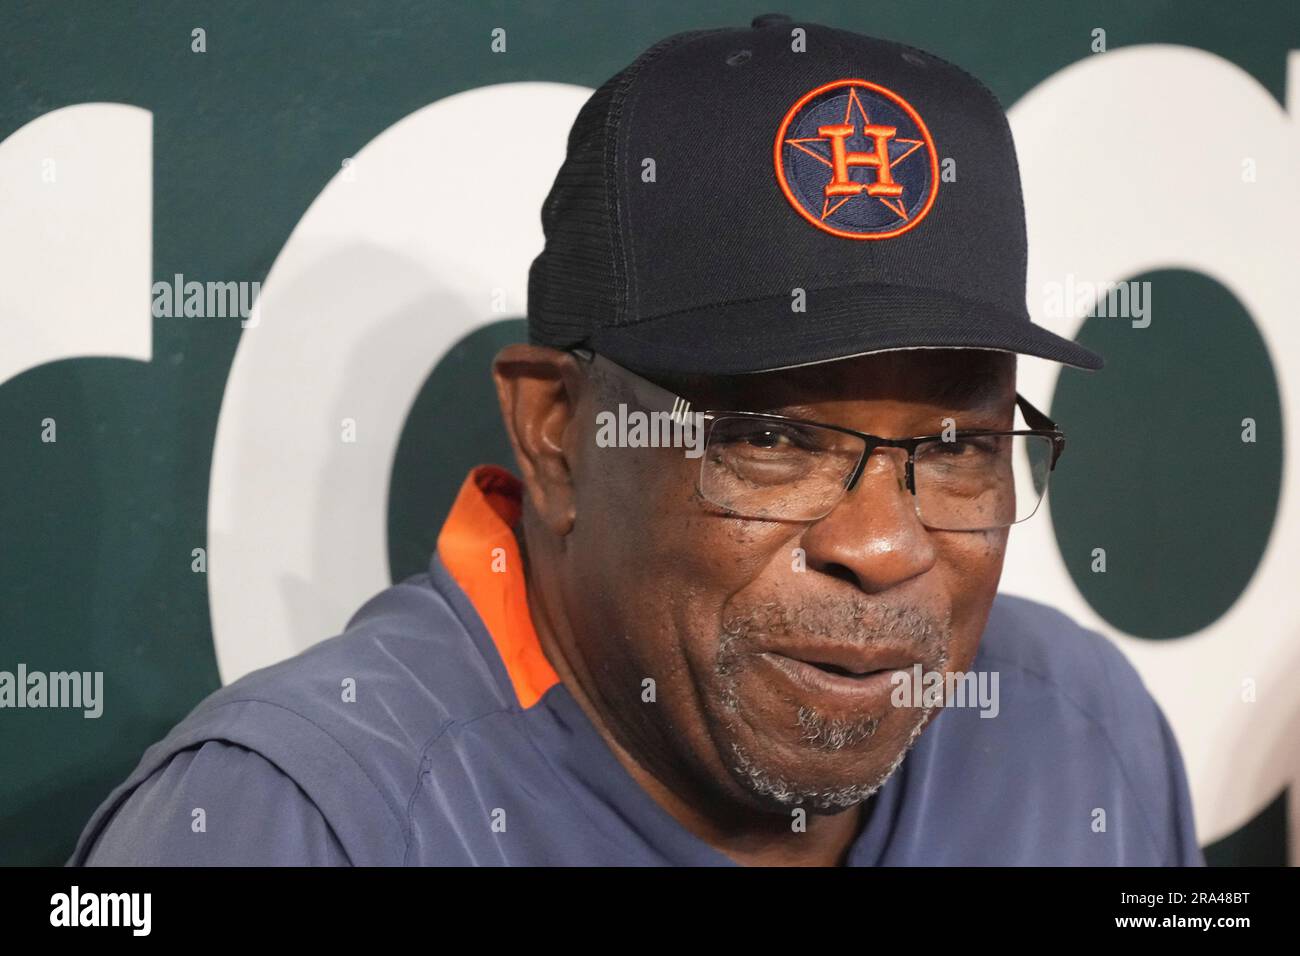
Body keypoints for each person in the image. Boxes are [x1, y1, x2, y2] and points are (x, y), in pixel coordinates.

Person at [70, 14, 1203, 866]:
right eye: (772, 436)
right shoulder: (296, 823)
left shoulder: (1084, 735)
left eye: (956, 443)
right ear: (557, 433)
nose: (884, 543)